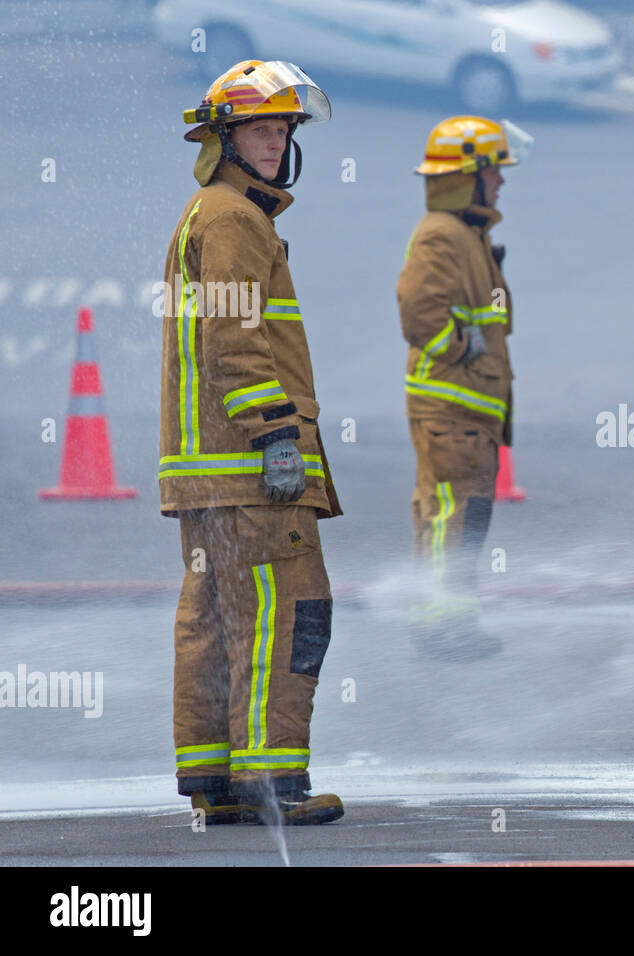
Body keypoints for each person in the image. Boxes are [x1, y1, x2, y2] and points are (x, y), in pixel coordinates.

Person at [161, 60, 343, 825]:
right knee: (287, 614)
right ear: (225, 138)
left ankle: (218, 781)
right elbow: (235, 338)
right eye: (260, 129)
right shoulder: (235, 219)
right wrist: (275, 435)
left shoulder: (203, 213)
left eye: (282, 129)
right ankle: (273, 785)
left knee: (215, 623)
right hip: (252, 474)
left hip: (209, 480)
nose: (274, 142)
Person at [397, 116, 532, 657]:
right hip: (452, 407)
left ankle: (450, 620)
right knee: (452, 517)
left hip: (468, 410)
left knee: (459, 517)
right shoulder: (442, 234)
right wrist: (464, 348)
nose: (501, 182)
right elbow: (417, 310)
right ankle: (441, 626)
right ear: (467, 176)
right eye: (493, 171)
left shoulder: (466, 232)